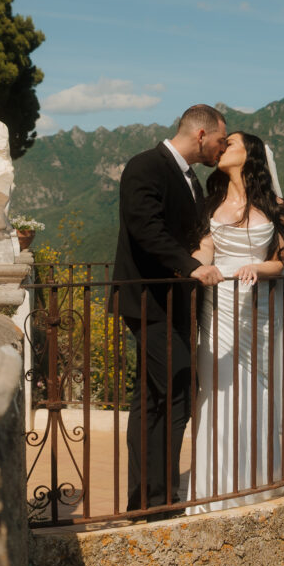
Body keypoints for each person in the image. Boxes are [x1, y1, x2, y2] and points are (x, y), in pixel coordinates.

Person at [112, 104, 226, 511]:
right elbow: (145, 229)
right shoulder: (146, 166)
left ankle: (149, 499)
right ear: (201, 135)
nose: (222, 147)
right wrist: (192, 267)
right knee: (175, 392)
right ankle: (157, 499)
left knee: (155, 395)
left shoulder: (190, 179)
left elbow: (187, 230)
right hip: (148, 300)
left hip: (174, 300)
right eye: (219, 140)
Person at [188, 131, 284, 511]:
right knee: (215, 390)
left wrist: (257, 267)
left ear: (250, 155)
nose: (222, 148)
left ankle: (256, 481)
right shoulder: (210, 201)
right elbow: (204, 249)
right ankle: (214, 488)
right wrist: (198, 267)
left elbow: (279, 262)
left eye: (230, 143)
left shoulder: (277, 206)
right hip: (218, 306)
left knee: (255, 390)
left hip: (257, 308)